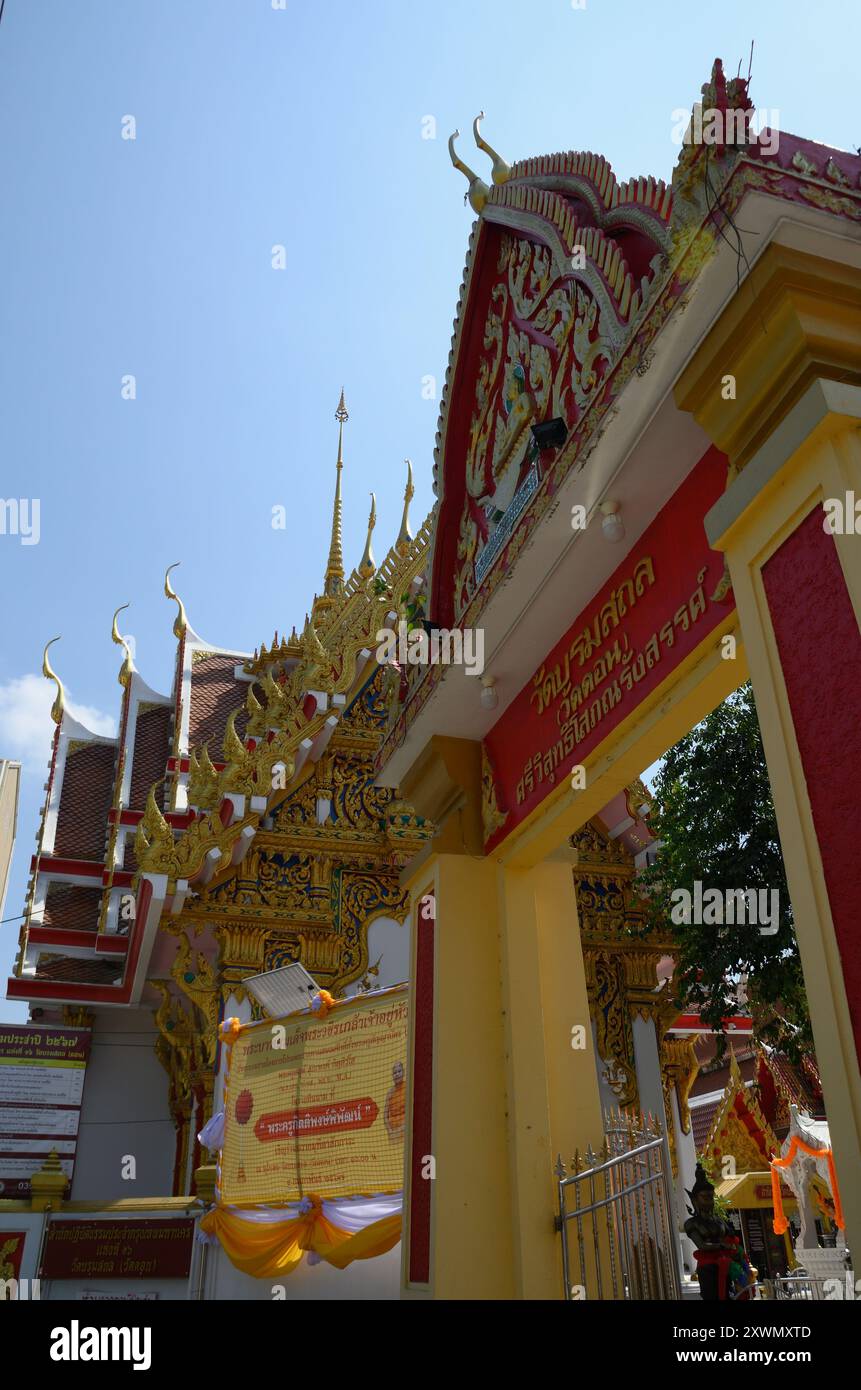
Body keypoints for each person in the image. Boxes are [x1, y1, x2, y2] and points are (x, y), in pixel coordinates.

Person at [684, 1164, 754, 1299]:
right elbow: (702, 1246)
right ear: (695, 1200)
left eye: (711, 1197)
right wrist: (723, 1246)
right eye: (705, 1197)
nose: (709, 1201)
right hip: (708, 1267)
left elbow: (731, 1238)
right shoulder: (692, 1224)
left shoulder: (719, 1221)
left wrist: (738, 1253)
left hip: (727, 1263)